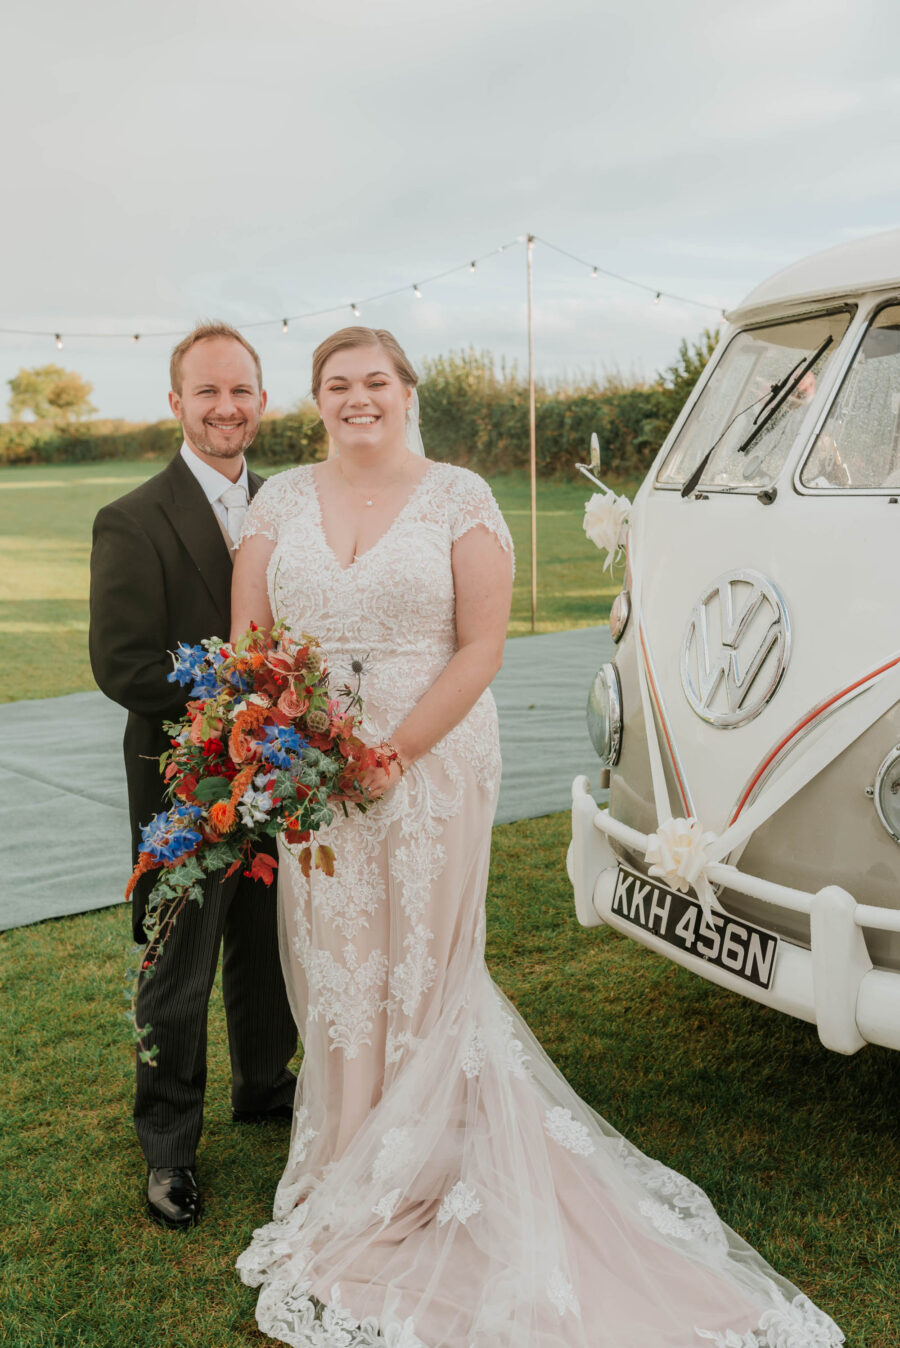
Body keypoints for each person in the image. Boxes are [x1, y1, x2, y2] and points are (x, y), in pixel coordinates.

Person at [230, 326, 843, 1347]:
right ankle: (345, 1157)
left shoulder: (460, 498)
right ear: (317, 399)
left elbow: (481, 645)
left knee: (421, 960)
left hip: (432, 764)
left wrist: (395, 752)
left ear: (406, 390)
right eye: (336, 385)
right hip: (313, 774)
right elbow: (249, 646)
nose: (357, 398)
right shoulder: (278, 503)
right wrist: (293, 744)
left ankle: (422, 1165)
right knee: (337, 959)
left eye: (374, 380)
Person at [89, 322, 297, 1230]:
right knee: (178, 962)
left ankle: (265, 1085)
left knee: (270, 939)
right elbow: (123, 665)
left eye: (240, 390)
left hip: (286, 773)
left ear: (262, 399)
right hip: (184, 783)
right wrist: (233, 710)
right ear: (176, 403)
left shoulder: (295, 507)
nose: (226, 408)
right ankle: (169, 1147)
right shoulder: (131, 518)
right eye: (207, 392)